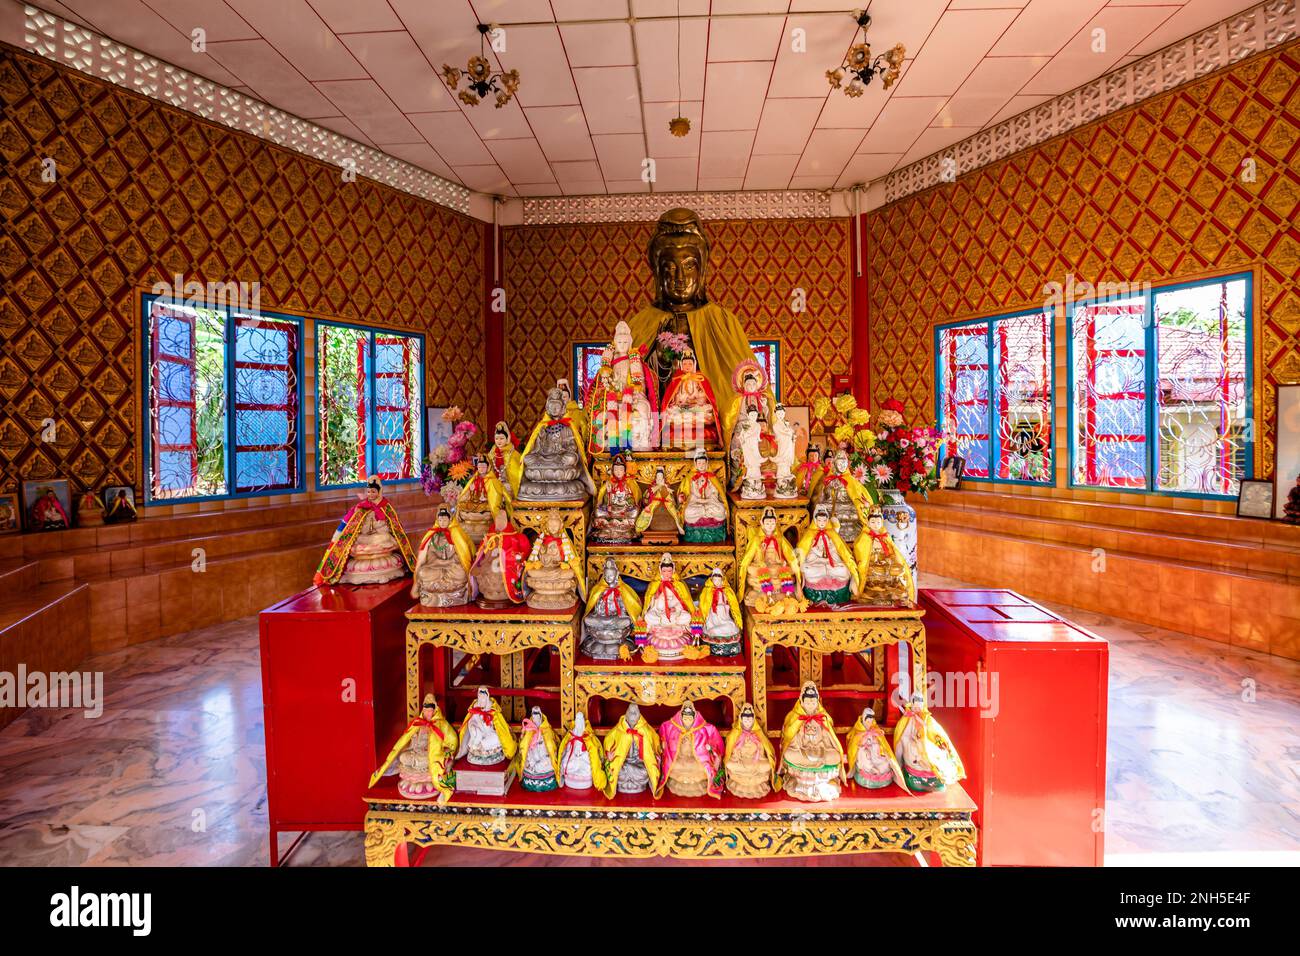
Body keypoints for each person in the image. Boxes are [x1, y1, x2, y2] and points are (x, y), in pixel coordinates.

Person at [314, 478, 415, 586]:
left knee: (385, 538)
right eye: (368, 491)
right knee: (355, 540)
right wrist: (364, 529)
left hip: (379, 537)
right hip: (364, 538)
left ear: (379, 491)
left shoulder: (386, 508)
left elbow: (393, 528)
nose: (370, 494)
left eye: (373, 491)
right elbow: (349, 527)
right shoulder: (361, 508)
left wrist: (378, 528)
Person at [369, 694, 457, 802]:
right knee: (403, 757)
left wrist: (446, 751)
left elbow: (451, 741)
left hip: (430, 756)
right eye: (425, 710)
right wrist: (412, 744)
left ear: (434, 711)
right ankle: (413, 779)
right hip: (415, 753)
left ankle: (428, 782)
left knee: (426, 761)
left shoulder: (442, 724)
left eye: (430, 711)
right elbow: (405, 741)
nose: (427, 713)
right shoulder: (417, 723)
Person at [779, 682, 846, 802]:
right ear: (801, 701)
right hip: (801, 752)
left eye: (813, 702)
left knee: (835, 756)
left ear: (817, 702)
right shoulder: (794, 717)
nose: (810, 705)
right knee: (789, 754)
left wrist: (821, 744)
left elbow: (829, 740)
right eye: (808, 702)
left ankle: (819, 781)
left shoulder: (823, 717)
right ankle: (802, 781)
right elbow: (790, 741)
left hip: (820, 751)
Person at [893, 694, 965, 793]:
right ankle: (903, 768)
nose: (918, 708)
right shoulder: (908, 719)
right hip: (913, 745)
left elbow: (935, 734)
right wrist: (915, 740)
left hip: (925, 744)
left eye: (920, 706)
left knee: (936, 751)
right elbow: (904, 737)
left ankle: (934, 770)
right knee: (911, 748)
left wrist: (925, 737)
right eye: (916, 706)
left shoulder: (927, 718)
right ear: (912, 705)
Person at [736, 506, 802, 611]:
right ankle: (768, 593)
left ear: (775, 523)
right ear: (762, 523)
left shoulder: (779, 538)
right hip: (761, 567)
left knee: (790, 570)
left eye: (772, 523)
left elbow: (789, 554)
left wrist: (787, 564)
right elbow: (747, 559)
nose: (770, 526)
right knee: (752, 570)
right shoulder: (757, 539)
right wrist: (757, 564)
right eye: (767, 523)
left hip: (777, 567)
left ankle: (779, 593)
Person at [658, 701, 725, 798]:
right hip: (680, 762)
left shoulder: (705, 729)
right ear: (681, 718)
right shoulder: (672, 728)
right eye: (685, 718)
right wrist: (665, 744)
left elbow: (716, 746)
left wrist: (710, 749)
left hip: (697, 762)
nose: (687, 721)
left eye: (690, 718)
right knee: (673, 766)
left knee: (702, 768)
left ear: (694, 717)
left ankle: (699, 780)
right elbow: (665, 742)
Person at [411, 506, 475, 607]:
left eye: (445, 520)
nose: (442, 522)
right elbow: (430, 554)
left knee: (461, 572)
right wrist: (441, 562)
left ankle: (454, 593)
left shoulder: (456, 534)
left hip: (452, 568)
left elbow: (461, 554)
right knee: (422, 572)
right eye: (440, 520)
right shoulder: (434, 535)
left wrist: (451, 561)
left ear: (450, 519)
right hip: (436, 566)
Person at [637, 553, 697, 662]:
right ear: (660, 571)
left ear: (673, 571)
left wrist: (675, 609)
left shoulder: (678, 585)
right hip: (659, 614)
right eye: (664, 571)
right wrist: (655, 601)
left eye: (669, 571)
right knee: (648, 617)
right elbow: (650, 605)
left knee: (686, 616)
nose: (667, 573)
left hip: (674, 616)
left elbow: (682, 602)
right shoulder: (655, 585)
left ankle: (670, 629)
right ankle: (664, 629)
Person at [796, 505, 859, 606]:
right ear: (815, 520)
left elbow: (839, 549)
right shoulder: (810, 534)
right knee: (807, 570)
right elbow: (805, 552)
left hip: (832, 561)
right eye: (819, 520)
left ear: (827, 520)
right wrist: (817, 552)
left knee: (844, 569)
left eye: (824, 520)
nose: (822, 523)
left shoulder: (832, 533)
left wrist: (831, 550)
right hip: (815, 562)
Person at [659, 347, 721, 449]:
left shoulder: (699, 378)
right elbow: (672, 398)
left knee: (707, 411)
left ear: (694, 365)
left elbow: (705, 396)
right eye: (685, 364)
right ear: (681, 365)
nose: (687, 366)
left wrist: (695, 401)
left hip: (697, 408)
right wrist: (681, 401)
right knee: (670, 413)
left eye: (690, 364)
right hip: (682, 408)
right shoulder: (677, 379)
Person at [602, 703, 661, 797]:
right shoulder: (618, 730)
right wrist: (608, 754)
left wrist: (655, 753)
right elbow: (608, 741)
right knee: (617, 771)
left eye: (635, 712)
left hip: (639, 764)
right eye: (630, 712)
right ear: (626, 713)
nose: (633, 714)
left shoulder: (647, 730)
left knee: (645, 772)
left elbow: (656, 744)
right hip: (623, 764)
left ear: (640, 714)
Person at [845, 707, 908, 791]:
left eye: (871, 721)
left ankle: (879, 768)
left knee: (885, 760)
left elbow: (880, 741)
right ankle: (870, 768)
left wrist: (875, 742)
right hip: (864, 752)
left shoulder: (874, 729)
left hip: (874, 753)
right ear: (864, 719)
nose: (869, 723)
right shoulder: (858, 730)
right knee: (863, 753)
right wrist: (864, 743)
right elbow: (854, 743)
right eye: (867, 721)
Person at [724, 702, 777, 798]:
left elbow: (762, 753)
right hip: (741, 761)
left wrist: (758, 753)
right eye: (745, 720)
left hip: (755, 761)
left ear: (753, 720)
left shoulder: (758, 734)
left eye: (750, 720)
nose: (748, 722)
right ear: (741, 720)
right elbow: (732, 752)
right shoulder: (735, 734)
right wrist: (737, 755)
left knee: (767, 766)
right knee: (729, 764)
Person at [455, 686, 517, 767]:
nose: (482, 700)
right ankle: (478, 746)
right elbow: (470, 722)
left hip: (489, 733)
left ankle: (483, 746)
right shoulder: (474, 710)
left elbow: (498, 725)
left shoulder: (492, 710)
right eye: (480, 698)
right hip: (478, 734)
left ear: (487, 697)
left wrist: (491, 727)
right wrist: (474, 729)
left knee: (497, 737)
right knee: (475, 736)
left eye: (484, 698)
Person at [677, 448, 728, 543]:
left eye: (703, 463)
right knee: (687, 512)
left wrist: (708, 500)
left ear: (707, 463)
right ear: (695, 464)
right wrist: (697, 500)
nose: (701, 465)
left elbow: (715, 492)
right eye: (699, 463)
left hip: (710, 503)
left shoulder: (712, 477)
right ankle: (704, 512)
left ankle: (705, 512)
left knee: (721, 510)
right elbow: (688, 494)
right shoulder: (690, 477)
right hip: (695, 503)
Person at [695, 566, 742, 656]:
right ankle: (714, 634)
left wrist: (724, 606)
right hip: (712, 619)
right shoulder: (707, 591)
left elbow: (733, 606)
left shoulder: (727, 591)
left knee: (733, 627)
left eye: (718, 580)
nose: (717, 582)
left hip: (724, 618)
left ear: (722, 580)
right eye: (715, 580)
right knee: (711, 630)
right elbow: (704, 608)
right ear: (712, 580)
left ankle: (721, 634)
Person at [514, 705, 561, 792]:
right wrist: (530, 757)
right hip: (532, 755)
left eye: (537, 716)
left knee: (547, 762)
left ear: (540, 716)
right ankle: (533, 767)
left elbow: (552, 746)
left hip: (544, 756)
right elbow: (524, 746)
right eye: (534, 716)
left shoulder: (547, 730)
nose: (535, 719)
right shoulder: (528, 730)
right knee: (529, 761)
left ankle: (536, 767)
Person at [558, 713, 607, 792]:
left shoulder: (589, 737)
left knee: (588, 767)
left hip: (584, 759)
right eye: (578, 720)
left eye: (581, 720)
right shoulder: (571, 736)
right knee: (567, 764)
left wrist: (583, 755)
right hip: (573, 758)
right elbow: (566, 750)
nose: (579, 723)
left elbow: (594, 752)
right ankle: (571, 776)